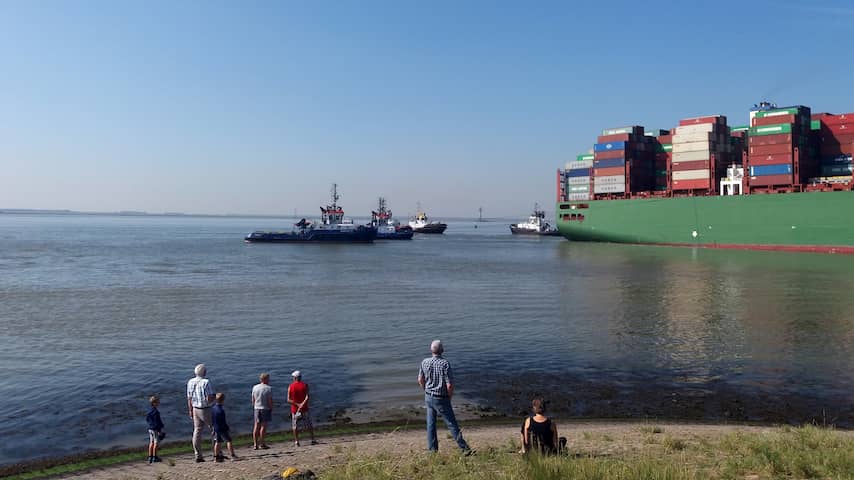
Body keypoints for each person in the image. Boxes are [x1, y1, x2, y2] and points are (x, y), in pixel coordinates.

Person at [417, 340, 471, 454]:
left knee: (431, 424)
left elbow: (420, 380)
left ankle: (432, 450)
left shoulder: (424, 362)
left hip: (428, 396)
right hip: (441, 397)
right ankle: (464, 449)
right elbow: (449, 385)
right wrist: (449, 397)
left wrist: (425, 390)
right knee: (451, 424)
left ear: (431, 350)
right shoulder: (445, 364)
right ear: (442, 350)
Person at [187, 363, 215, 462]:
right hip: (205, 408)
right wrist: (215, 398)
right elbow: (209, 398)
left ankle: (198, 455)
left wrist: (190, 410)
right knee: (214, 430)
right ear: (204, 372)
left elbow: (189, 398)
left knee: (197, 431)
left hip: (195, 408)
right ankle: (217, 452)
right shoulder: (206, 382)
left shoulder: (190, 382)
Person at [287, 370, 316, 446]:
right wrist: (302, 404)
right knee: (309, 424)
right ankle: (312, 439)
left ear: (295, 378)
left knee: (295, 425)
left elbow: (288, 400)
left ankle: (297, 441)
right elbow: (307, 396)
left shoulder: (291, 386)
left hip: (295, 409)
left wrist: (297, 404)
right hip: (304, 408)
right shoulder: (305, 385)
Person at [212, 393, 237, 462]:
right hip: (222, 428)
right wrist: (226, 427)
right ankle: (232, 455)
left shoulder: (213, 408)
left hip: (216, 427)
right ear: (223, 400)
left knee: (218, 441)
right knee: (229, 440)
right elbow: (223, 421)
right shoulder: (221, 410)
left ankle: (216, 456)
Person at [251, 372, 273, 450]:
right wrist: (271, 408)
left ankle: (255, 444)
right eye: (268, 378)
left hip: (257, 408)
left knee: (256, 426)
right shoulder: (268, 388)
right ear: (266, 379)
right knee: (263, 426)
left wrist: (254, 406)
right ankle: (262, 443)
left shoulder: (255, 387)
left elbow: (253, 400)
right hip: (265, 408)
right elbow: (269, 401)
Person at [146, 395, 165, 464]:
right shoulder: (156, 412)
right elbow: (158, 422)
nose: (159, 403)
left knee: (151, 442)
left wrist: (150, 425)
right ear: (154, 403)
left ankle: (150, 456)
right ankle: (155, 457)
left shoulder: (149, 411)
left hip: (150, 428)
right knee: (156, 442)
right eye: (157, 402)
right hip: (155, 429)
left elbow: (147, 419)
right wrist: (160, 430)